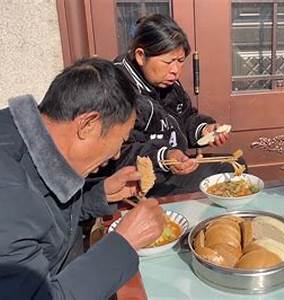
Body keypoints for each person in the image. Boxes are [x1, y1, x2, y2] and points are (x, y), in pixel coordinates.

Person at [0, 58, 165, 299]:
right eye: (121, 140)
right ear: (88, 124)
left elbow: (43, 216)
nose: (118, 154)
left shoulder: (27, 138)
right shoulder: (8, 197)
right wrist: (124, 244)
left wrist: (98, 195)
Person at [106, 14, 240, 196]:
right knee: (226, 176)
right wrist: (165, 156)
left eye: (180, 61)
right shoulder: (116, 89)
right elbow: (117, 153)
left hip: (174, 167)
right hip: (141, 183)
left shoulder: (168, 82)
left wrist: (203, 130)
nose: (175, 70)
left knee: (234, 166)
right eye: (168, 62)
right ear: (140, 55)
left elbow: (185, 117)